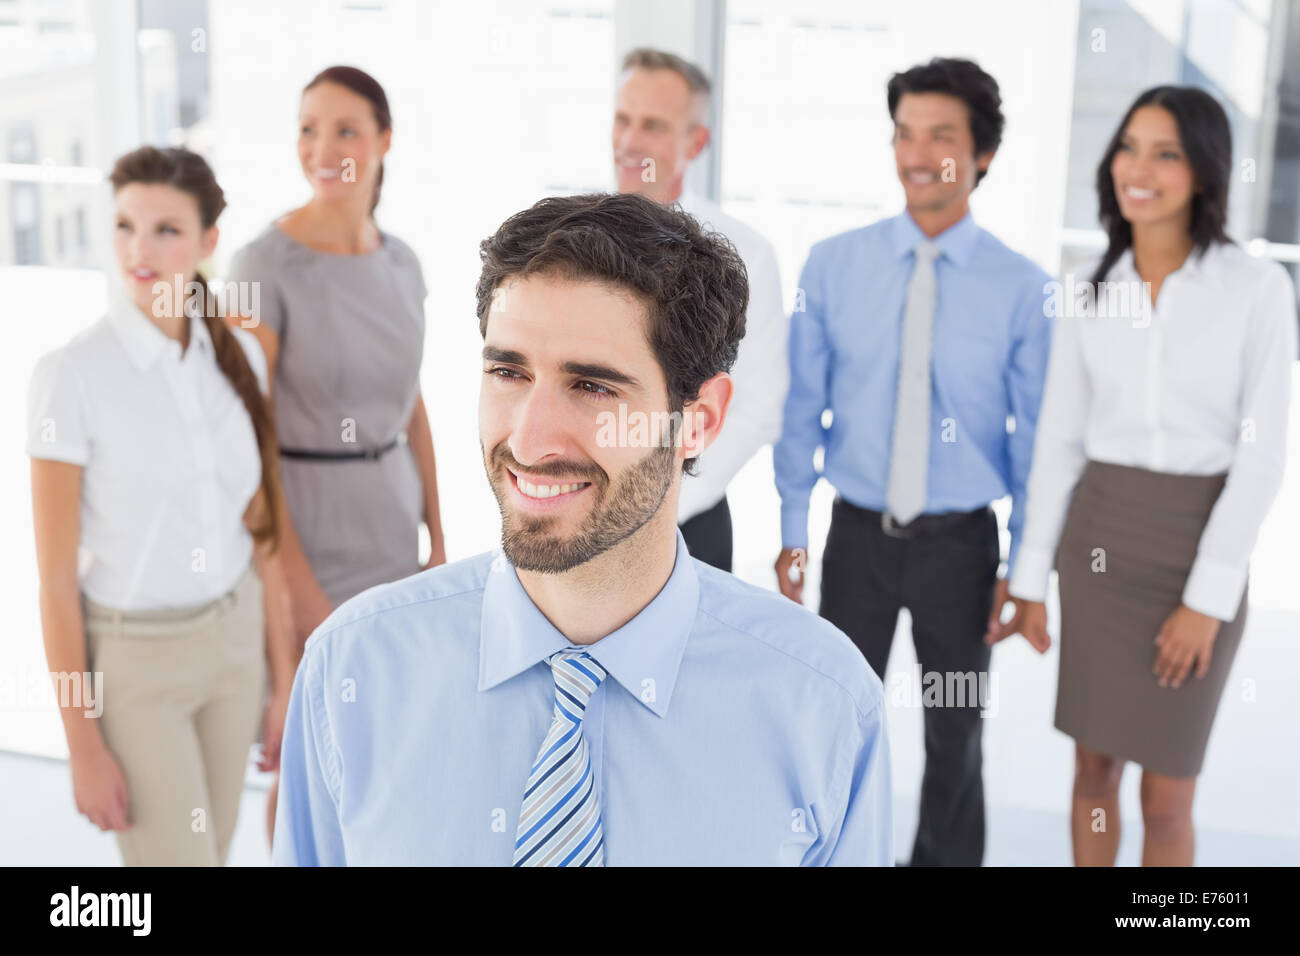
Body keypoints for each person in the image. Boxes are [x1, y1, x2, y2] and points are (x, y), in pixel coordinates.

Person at [272, 192, 891, 865]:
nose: (532, 441)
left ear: (700, 420)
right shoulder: (351, 672)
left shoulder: (825, 707)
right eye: (509, 372)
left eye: (593, 387)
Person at [994, 86, 1296, 866]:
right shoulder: (1088, 286)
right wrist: (1027, 577)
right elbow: (1059, 441)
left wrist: (1206, 601)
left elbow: (1262, 454)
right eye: (1130, 146)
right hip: (1099, 545)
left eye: (1166, 152)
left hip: (1197, 545)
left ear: (1204, 170)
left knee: (1168, 794)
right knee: (1092, 768)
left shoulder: (1258, 288)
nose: (1140, 168)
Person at [773, 57, 1054, 866]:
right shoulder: (833, 264)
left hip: (961, 547)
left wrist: (1027, 570)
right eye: (904, 133)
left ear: (984, 154)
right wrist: (794, 529)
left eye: (941, 136)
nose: (916, 153)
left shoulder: (1022, 288)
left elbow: (1035, 441)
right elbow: (802, 411)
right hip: (855, 538)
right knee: (830, 723)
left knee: (954, 735)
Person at [27, 145, 296, 865]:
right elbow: (54, 581)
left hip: (237, 649)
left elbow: (262, 528)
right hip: (137, 665)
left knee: (219, 852)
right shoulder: (72, 376)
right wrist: (83, 744)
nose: (139, 250)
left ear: (210, 242)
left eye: (166, 230)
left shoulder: (243, 353)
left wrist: (282, 678)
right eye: (124, 225)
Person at [225, 65, 447, 842]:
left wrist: (440, 540)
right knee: (304, 760)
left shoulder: (405, 263)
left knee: (388, 747)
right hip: (303, 531)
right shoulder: (262, 267)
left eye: (345, 129)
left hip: (390, 527)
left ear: (385, 141)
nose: (323, 148)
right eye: (308, 128)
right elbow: (245, 447)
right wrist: (297, 595)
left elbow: (411, 405)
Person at [613, 47, 788, 572]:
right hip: (582, 508)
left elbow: (758, 403)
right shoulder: (565, 241)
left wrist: (661, 501)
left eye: (652, 125)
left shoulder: (745, 253)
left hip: (690, 521)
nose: (628, 141)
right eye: (622, 120)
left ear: (696, 141)